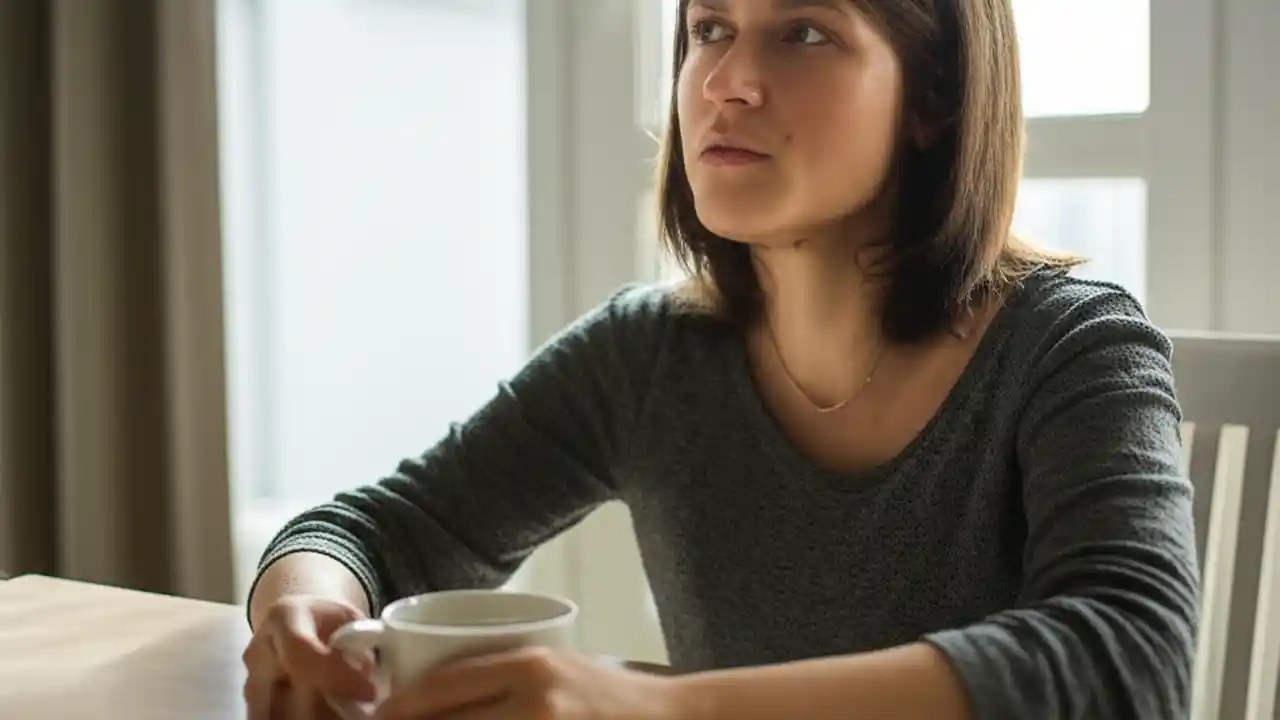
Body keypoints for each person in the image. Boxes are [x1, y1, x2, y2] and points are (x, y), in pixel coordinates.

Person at [242, 0, 1199, 718]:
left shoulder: (1072, 347)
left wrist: (661, 707)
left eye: (805, 33)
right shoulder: (647, 355)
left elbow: (1130, 660)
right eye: (709, 29)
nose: (725, 83)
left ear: (935, 99)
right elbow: (380, 530)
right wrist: (303, 606)